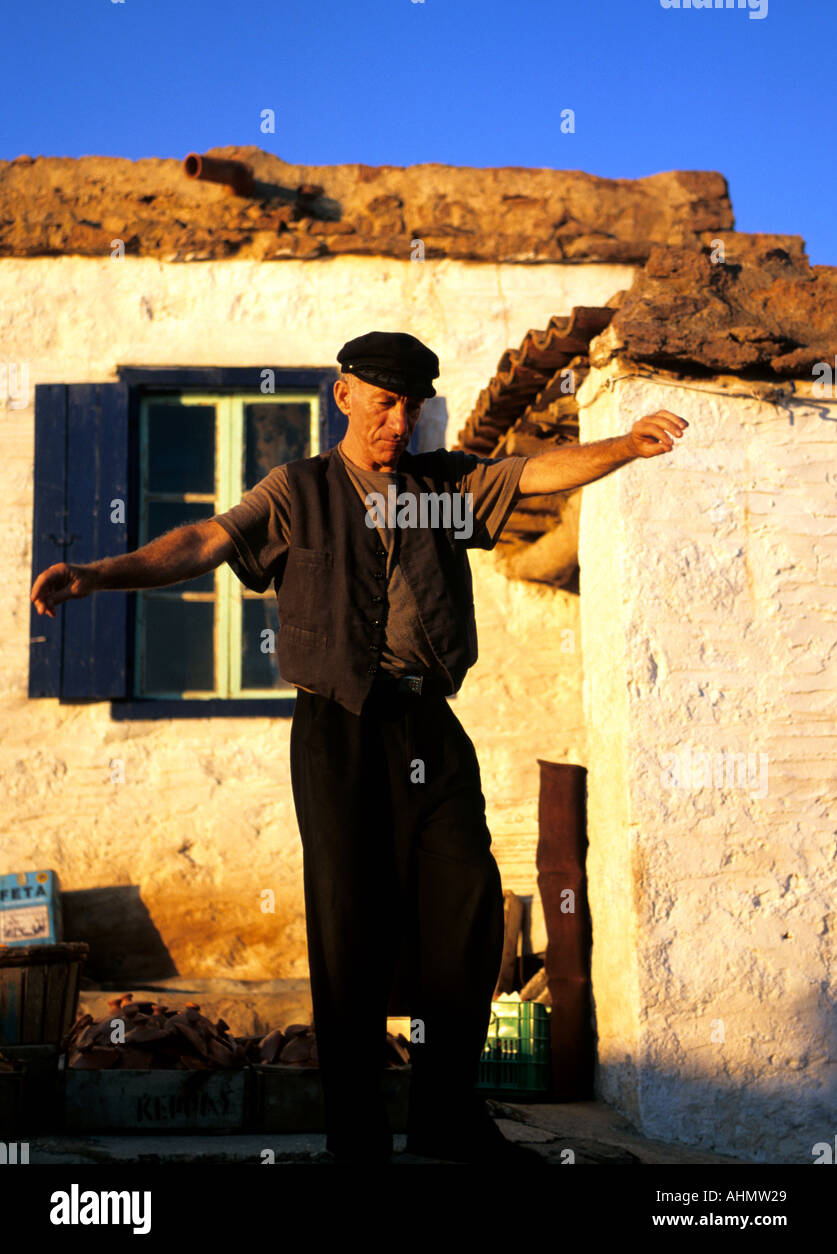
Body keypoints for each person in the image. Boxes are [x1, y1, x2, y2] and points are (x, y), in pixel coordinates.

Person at [31, 330, 687, 1165]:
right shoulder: (296, 491)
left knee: (468, 908)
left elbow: (532, 471)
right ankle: (357, 1139)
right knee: (350, 926)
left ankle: (448, 1116)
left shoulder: (439, 486)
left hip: (427, 724)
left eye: (411, 407)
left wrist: (627, 447)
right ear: (343, 396)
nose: (398, 422)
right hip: (337, 726)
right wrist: (98, 573)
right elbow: (203, 541)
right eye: (383, 404)